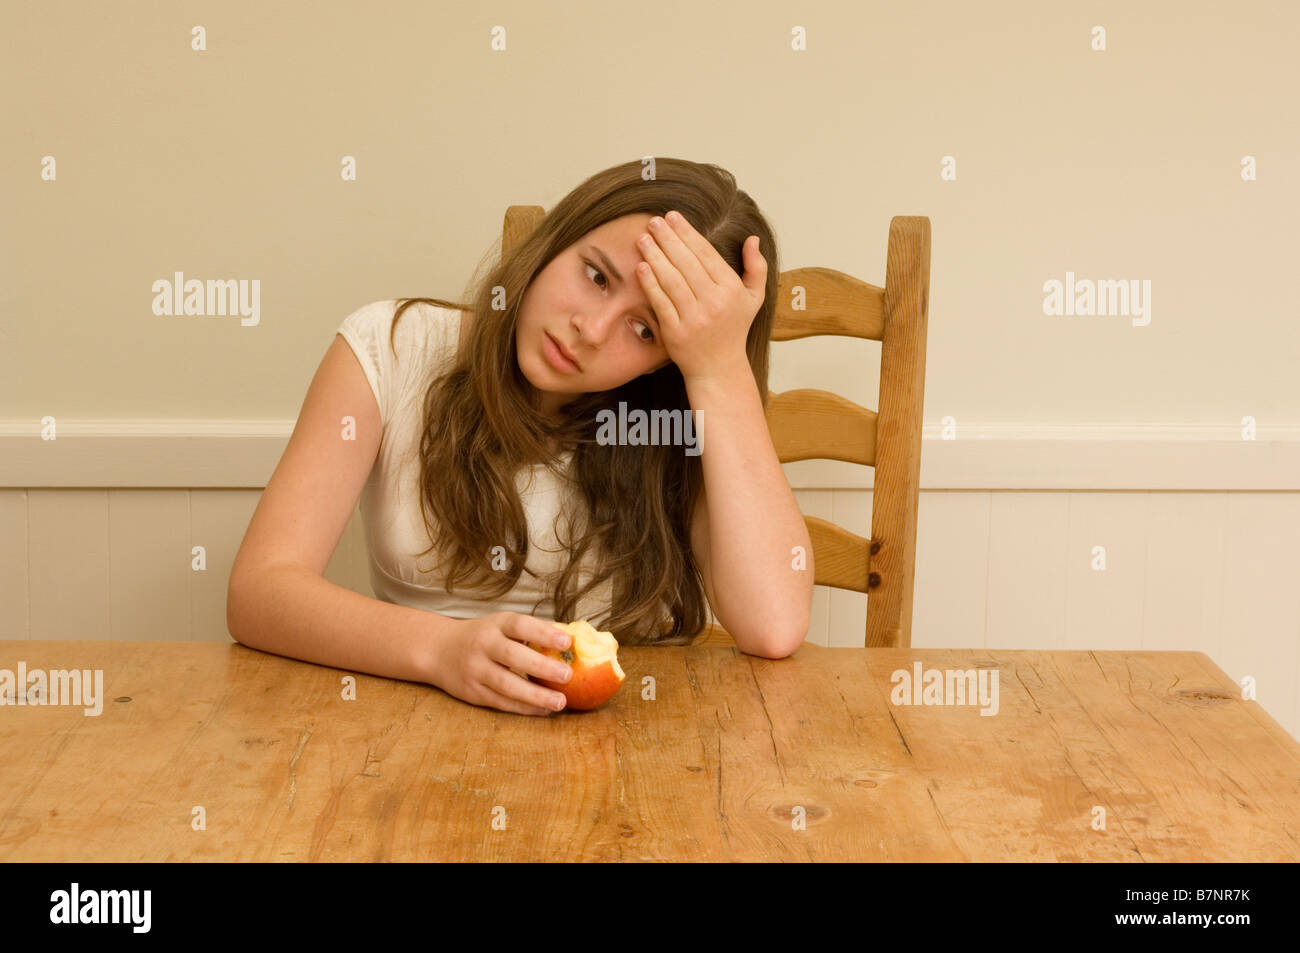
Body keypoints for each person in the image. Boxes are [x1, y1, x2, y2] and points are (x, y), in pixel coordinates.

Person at [230, 157, 813, 716]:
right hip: (416, 733)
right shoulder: (392, 347)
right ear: (559, 237)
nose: (590, 329)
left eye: (644, 330)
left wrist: (720, 373)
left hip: (637, 751)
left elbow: (774, 625)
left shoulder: (681, 415)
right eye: (595, 276)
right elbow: (260, 590)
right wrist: (440, 650)